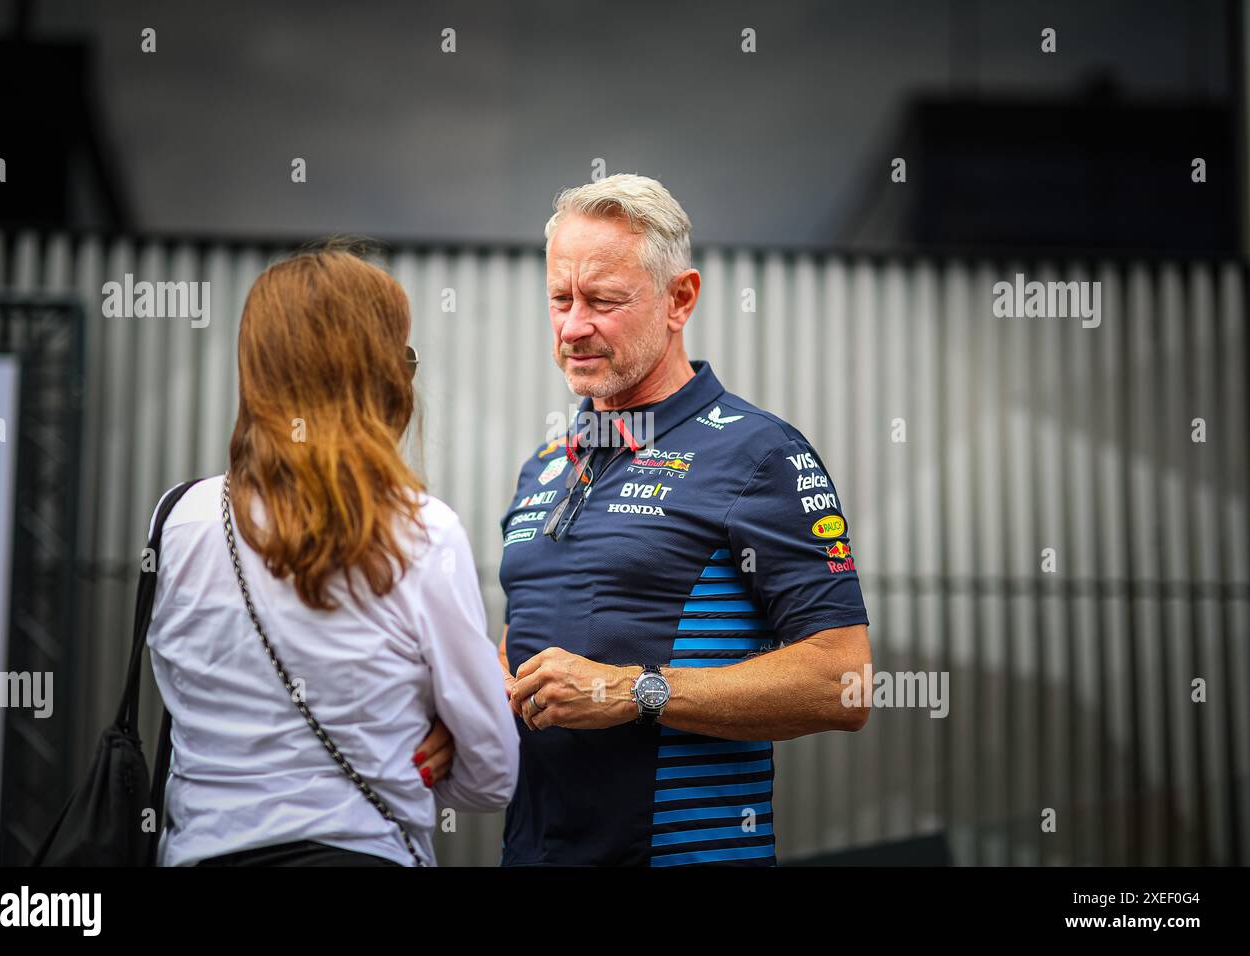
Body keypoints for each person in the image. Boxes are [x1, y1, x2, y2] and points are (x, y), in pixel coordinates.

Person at [497, 175, 873, 866]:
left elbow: (843, 683)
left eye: (604, 301)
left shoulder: (758, 452)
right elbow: (518, 656)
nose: (574, 326)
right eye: (560, 299)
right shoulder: (544, 465)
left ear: (680, 299)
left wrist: (633, 690)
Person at [146, 247, 518, 866]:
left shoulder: (175, 519)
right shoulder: (419, 531)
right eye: (404, 357)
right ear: (375, 376)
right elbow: (493, 774)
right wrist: (423, 746)